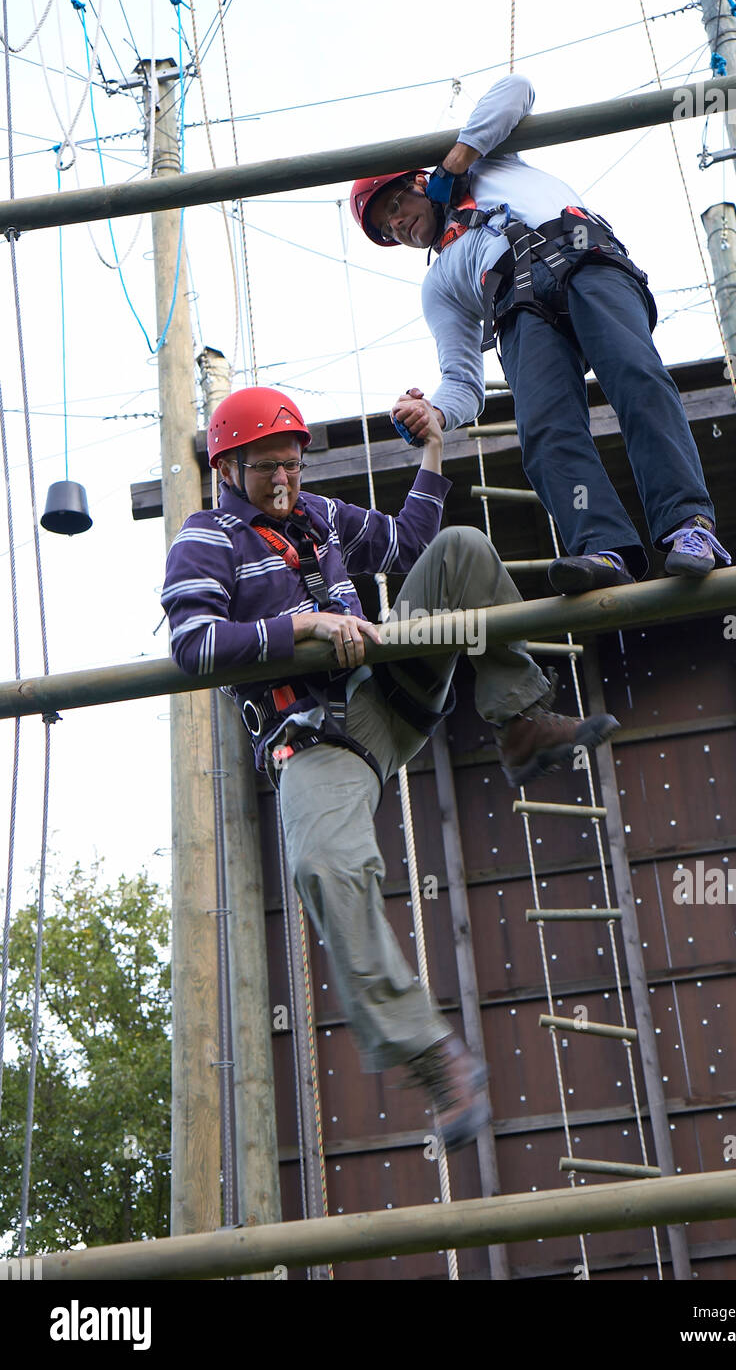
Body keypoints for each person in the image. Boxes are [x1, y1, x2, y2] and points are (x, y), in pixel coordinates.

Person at [161, 384, 619, 1150]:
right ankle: (430, 1055)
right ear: (228, 468)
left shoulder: (322, 518)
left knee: (462, 550)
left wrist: (433, 446)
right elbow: (193, 646)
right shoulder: (206, 540)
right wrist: (302, 624)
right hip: (312, 740)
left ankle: (520, 723)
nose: (284, 482)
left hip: (385, 693)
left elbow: (410, 547)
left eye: (293, 466)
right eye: (267, 468)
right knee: (324, 868)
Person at [350, 73, 732, 594]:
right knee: (545, 428)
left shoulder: (489, 161)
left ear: (418, 182)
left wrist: (456, 162)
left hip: (584, 258)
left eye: (393, 207)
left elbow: (517, 89)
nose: (396, 227)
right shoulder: (440, 283)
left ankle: (688, 525)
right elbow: (463, 380)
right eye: (385, 230)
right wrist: (435, 413)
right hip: (521, 306)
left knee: (636, 377)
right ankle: (604, 548)